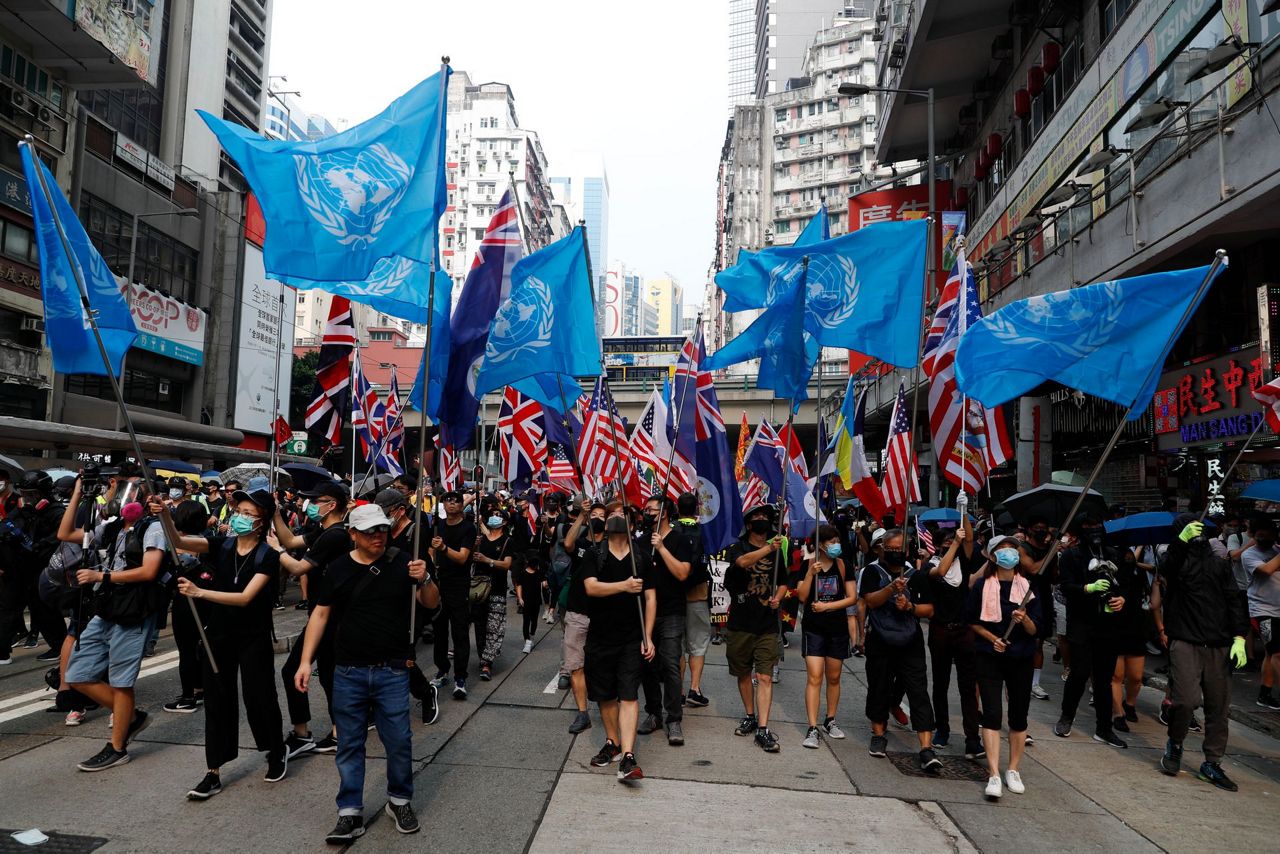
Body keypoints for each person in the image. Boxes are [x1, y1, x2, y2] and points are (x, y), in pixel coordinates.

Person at [294, 504, 434, 842]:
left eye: (382, 529)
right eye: (370, 531)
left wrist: (425, 578)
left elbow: (431, 603)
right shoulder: (338, 568)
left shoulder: (404, 562)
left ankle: (399, 800)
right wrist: (304, 661)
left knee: (399, 740)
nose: (378, 536)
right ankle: (349, 812)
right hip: (348, 671)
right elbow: (320, 615)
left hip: (393, 670)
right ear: (352, 534)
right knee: (349, 744)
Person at [155, 486, 288, 797]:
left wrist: (200, 593)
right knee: (217, 700)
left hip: (253, 637)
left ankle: (275, 750)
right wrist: (165, 515)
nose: (240, 517)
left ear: (261, 520)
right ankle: (213, 770)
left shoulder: (268, 555)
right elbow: (178, 541)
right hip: (218, 634)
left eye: (247, 513)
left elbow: (244, 598)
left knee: (260, 696)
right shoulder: (222, 545)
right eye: (238, 511)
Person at [57, 476, 166, 771]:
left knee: (121, 682)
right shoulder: (112, 527)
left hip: (134, 612)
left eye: (133, 490)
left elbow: (149, 571)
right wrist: (78, 494)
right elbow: (65, 532)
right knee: (77, 674)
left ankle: (118, 747)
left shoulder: (153, 528)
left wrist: (100, 577)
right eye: (118, 489)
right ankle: (130, 717)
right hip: (106, 609)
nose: (121, 495)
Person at [1159, 518, 1249, 790]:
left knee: (1218, 708)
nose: (1196, 535)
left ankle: (1212, 762)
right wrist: (1180, 542)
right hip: (1185, 641)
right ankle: (1175, 743)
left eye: (1198, 530)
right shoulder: (1174, 561)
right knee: (1185, 700)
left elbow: (1234, 599)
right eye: (1190, 531)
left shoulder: (1219, 564)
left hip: (1219, 645)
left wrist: (1239, 637)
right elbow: (1167, 569)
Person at [271, 480, 351, 757]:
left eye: (317, 500)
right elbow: (291, 540)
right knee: (329, 674)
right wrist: (276, 514)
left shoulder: (336, 535)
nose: (312, 505)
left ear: (332, 505)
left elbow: (297, 565)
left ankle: (307, 733)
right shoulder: (323, 530)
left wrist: (276, 551)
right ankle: (335, 731)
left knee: (299, 670)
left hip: (331, 615)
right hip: (321, 612)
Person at [1055, 515, 1138, 748]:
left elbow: (1128, 585)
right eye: (1088, 526)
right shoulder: (1072, 555)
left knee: (1104, 678)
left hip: (1108, 624)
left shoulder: (1114, 554)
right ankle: (1066, 717)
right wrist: (1087, 588)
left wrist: (1122, 598)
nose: (1094, 530)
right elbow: (1066, 586)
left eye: (1097, 525)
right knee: (1079, 672)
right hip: (1081, 622)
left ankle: (1104, 727)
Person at [860, 529, 940, 771]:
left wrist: (910, 607)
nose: (895, 553)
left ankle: (926, 747)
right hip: (881, 640)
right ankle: (878, 732)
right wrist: (891, 590)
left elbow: (929, 610)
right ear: (882, 549)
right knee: (879, 686)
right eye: (890, 549)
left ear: (907, 549)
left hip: (910, 641)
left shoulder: (916, 575)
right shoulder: (872, 572)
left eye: (899, 549)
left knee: (918, 691)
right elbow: (870, 601)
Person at [967, 535, 1041, 799]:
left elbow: (1036, 629)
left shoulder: (1029, 589)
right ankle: (994, 773)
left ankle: (1013, 769)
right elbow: (973, 622)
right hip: (990, 656)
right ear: (992, 555)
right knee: (992, 713)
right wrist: (993, 639)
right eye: (1002, 549)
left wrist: (1024, 620)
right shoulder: (982, 586)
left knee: (1018, 715)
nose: (1008, 553)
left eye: (1013, 549)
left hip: (1022, 658)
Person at [584, 505, 654, 782]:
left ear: (631, 523)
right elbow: (591, 587)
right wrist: (623, 586)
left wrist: (647, 636)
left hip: (630, 639)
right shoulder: (594, 554)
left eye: (620, 514)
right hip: (600, 637)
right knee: (605, 695)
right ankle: (612, 742)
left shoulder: (641, 557)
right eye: (610, 513)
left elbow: (651, 598)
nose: (614, 517)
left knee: (628, 694)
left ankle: (627, 756)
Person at [723, 504, 788, 754]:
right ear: (749, 524)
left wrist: (778, 597)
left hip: (767, 624)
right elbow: (741, 563)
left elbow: (782, 581)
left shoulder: (776, 552)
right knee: (743, 672)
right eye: (757, 517)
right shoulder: (738, 547)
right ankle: (749, 714)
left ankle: (763, 728)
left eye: (765, 518)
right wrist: (768, 549)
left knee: (764, 676)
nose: (761, 521)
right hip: (741, 622)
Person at [794, 524, 857, 750]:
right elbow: (801, 596)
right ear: (820, 545)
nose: (835, 545)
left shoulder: (843, 565)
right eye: (831, 542)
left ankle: (830, 719)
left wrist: (828, 607)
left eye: (836, 541)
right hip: (814, 629)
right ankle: (812, 727)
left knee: (834, 677)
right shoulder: (808, 565)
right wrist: (811, 575)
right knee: (814, 677)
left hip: (837, 629)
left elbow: (852, 598)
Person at [640, 496, 695, 746]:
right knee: (648, 665)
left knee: (671, 665)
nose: (647, 513)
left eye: (651, 509)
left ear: (663, 513)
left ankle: (674, 718)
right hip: (645, 613)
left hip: (672, 611)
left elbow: (683, 573)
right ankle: (653, 713)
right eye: (646, 509)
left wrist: (662, 548)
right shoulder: (641, 541)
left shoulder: (679, 540)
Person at [927, 517, 981, 756]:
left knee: (968, 686)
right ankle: (942, 729)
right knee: (940, 684)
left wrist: (965, 514)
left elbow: (969, 539)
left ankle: (972, 739)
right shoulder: (930, 563)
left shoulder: (965, 562)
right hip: (940, 630)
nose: (952, 544)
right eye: (947, 541)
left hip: (964, 631)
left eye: (953, 540)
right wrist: (954, 546)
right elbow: (940, 571)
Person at [0, 470, 67, 664]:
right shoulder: (22, 511)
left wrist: (38, 546)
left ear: (43, 493)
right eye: (25, 493)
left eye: (33, 494)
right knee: (7, 608)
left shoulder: (56, 512)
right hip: (17, 569)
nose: (28, 498)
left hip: (41, 570)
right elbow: (5, 527)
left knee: (44, 609)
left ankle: (60, 646)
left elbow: (59, 538)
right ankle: (2, 650)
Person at [162, 500, 213, 714]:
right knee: (201, 646)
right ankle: (201, 688)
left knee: (186, 650)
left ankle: (187, 696)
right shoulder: (208, 542)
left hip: (185, 600)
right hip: (208, 599)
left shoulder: (175, 545)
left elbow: (167, 577)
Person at [561, 500, 604, 734]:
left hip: (603, 616)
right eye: (593, 514)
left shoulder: (612, 546)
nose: (597, 518)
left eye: (601, 515)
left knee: (600, 665)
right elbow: (567, 543)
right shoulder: (579, 542)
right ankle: (582, 712)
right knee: (576, 665)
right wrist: (581, 517)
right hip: (578, 612)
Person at [429, 489, 476, 699]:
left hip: (459, 584)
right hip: (439, 583)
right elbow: (430, 551)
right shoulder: (437, 525)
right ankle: (442, 669)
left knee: (459, 632)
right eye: (447, 500)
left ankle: (460, 677)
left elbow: (463, 558)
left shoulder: (468, 528)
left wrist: (444, 548)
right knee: (439, 630)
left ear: (461, 505)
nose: (451, 504)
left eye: (456, 501)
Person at [674, 492, 711, 708]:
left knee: (677, 645)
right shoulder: (703, 532)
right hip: (698, 593)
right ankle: (694, 689)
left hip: (675, 594)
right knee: (697, 645)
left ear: (678, 508)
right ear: (696, 508)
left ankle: (677, 690)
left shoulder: (671, 530)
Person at [1110, 548, 1151, 733]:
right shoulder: (1111, 576)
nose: (1128, 558)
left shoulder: (1141, 575)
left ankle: (1130, 704)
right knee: (1117, 676)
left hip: (1137, 628)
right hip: (1116, 627)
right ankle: (1117, 713)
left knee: (1135, 677)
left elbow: (1151, 602)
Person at [472, 508, 513, 681]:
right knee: (480, 626)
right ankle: (483, 656)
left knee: (494, 627)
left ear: (504, 522)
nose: (494, 517)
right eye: (492, 515)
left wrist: (487, 560)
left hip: (497, 589)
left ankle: (487, 662)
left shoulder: (507, 541)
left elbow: (506, 565)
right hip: (478, 589)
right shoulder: (481, 539)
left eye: (498, 516)